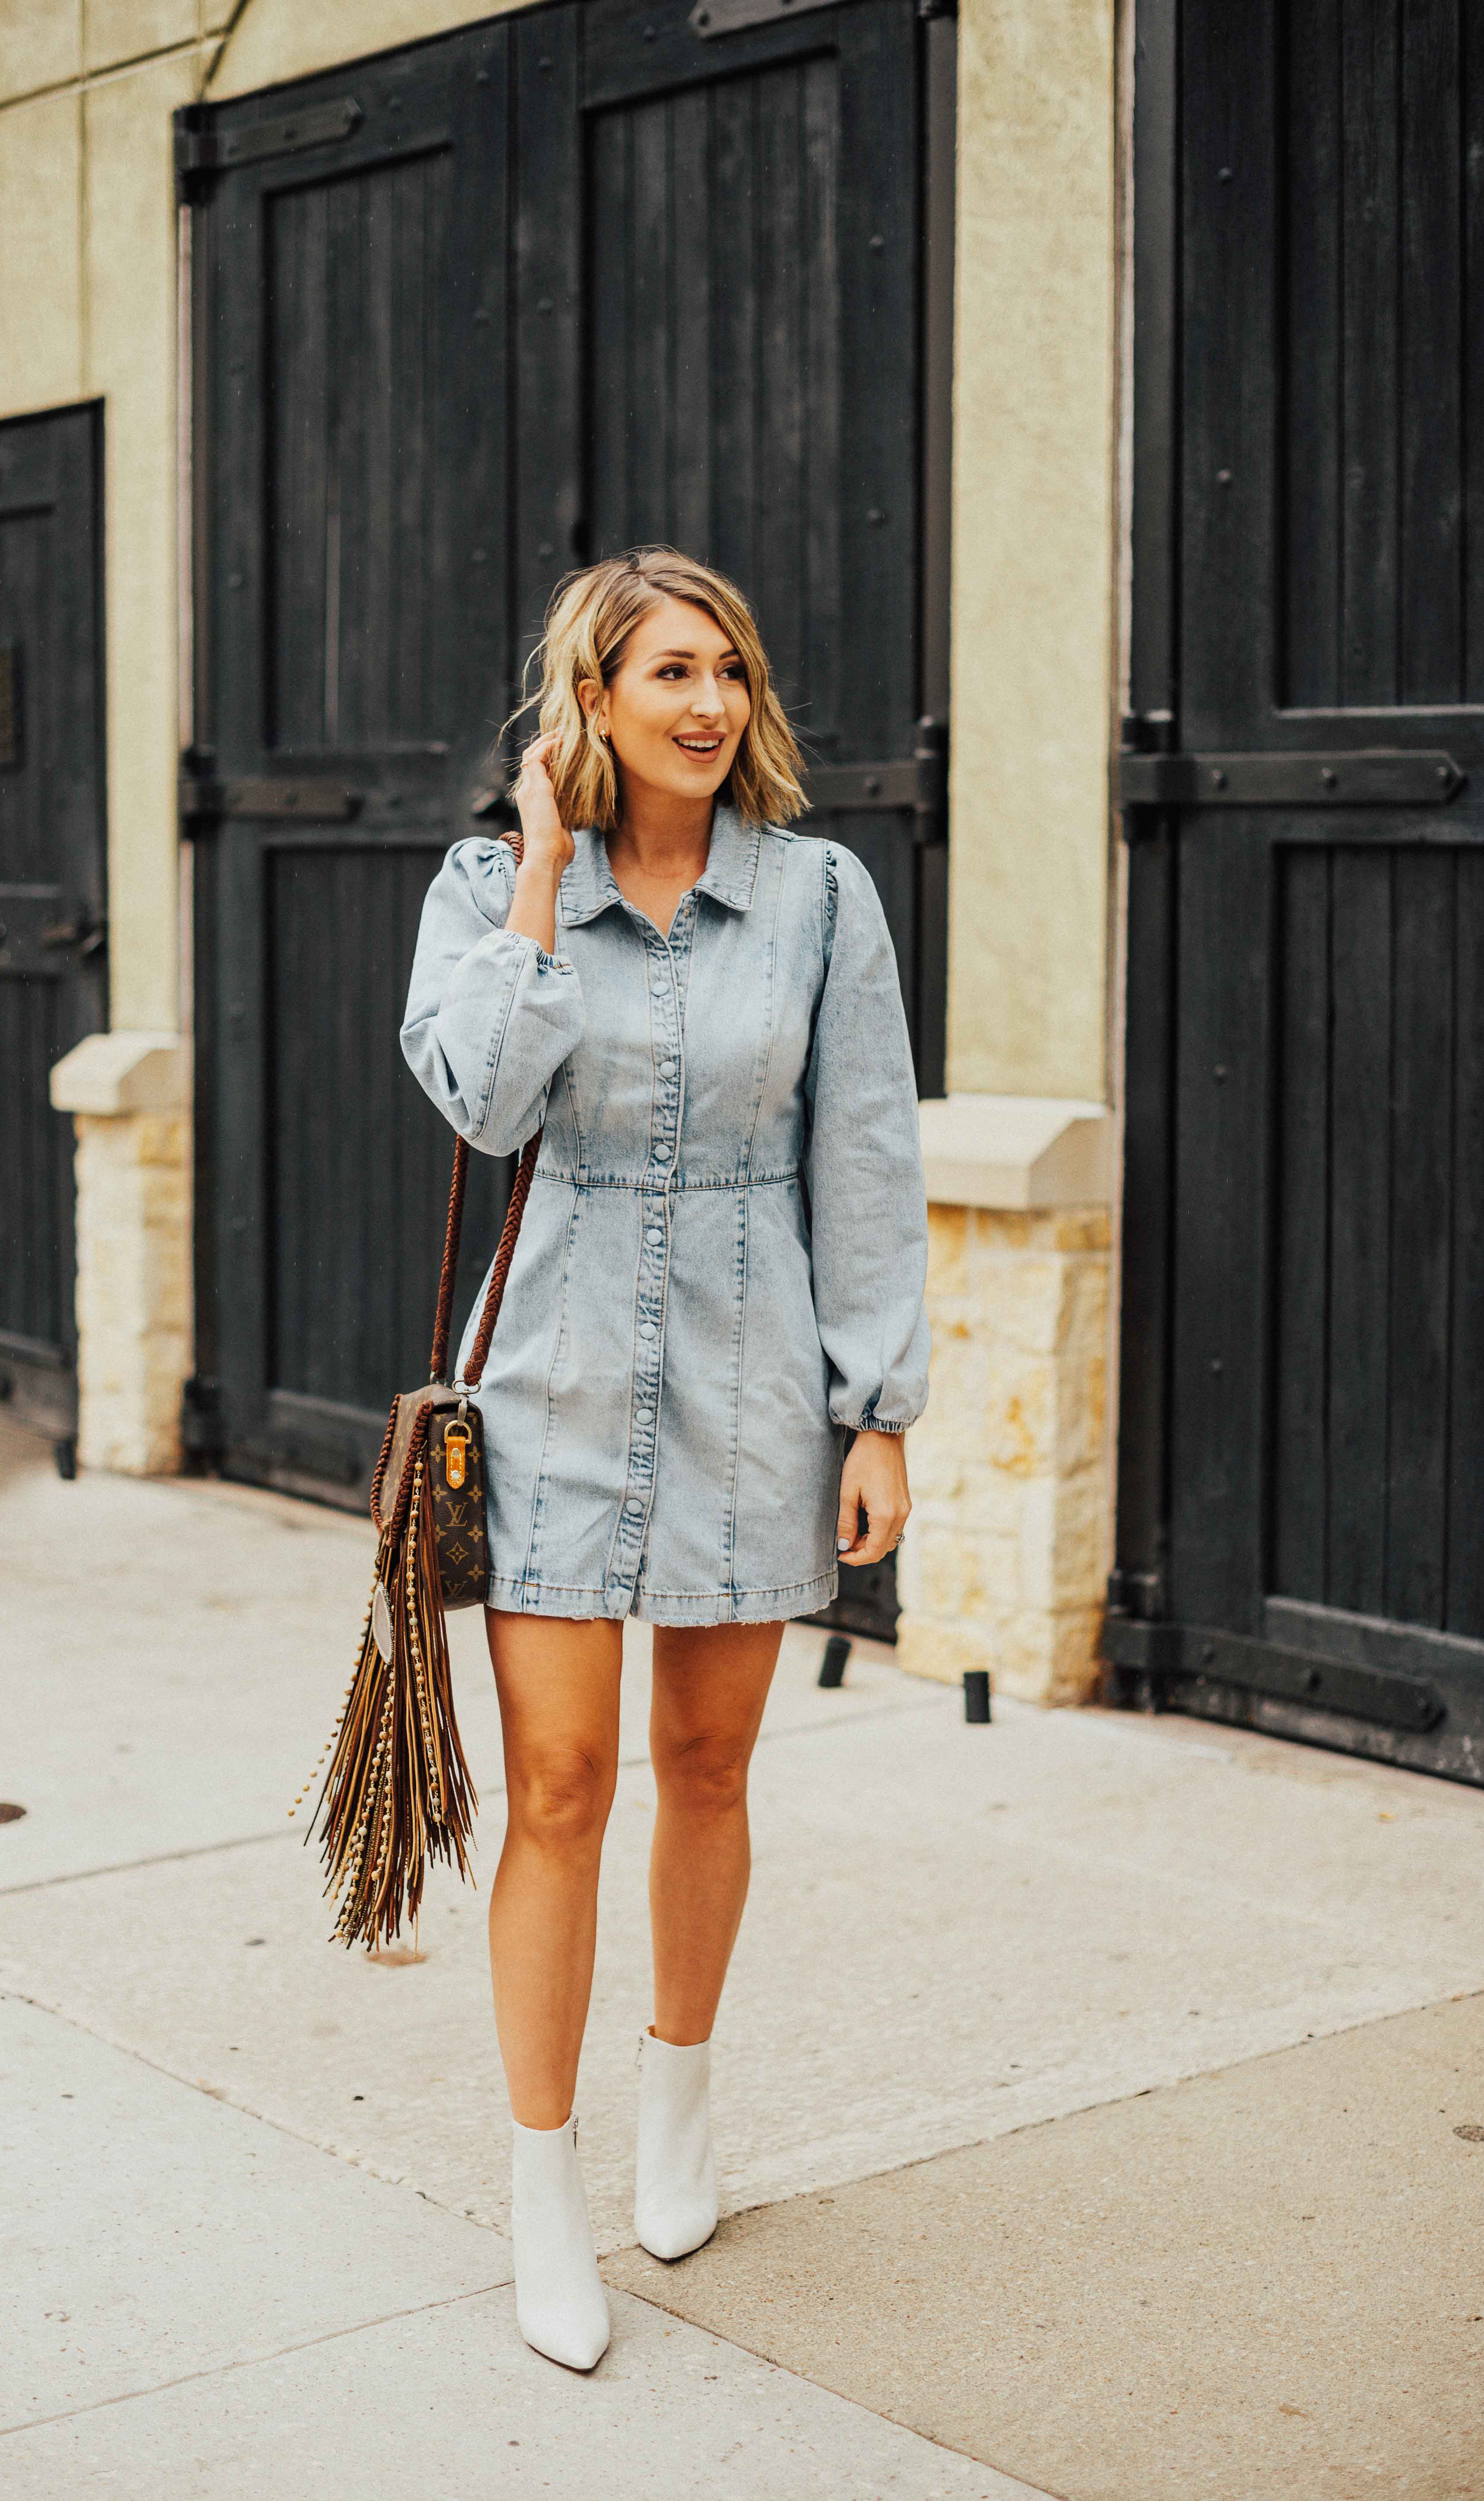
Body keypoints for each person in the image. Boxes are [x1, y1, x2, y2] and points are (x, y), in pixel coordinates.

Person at [401, 546, 930, 2371]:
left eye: (730, 671)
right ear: (593, 702)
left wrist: (877, 1406)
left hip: (751, 1373)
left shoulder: (816, 895)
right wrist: (546, 869)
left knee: (707, 1761)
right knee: (557, 1782)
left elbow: (860, 1149)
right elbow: (478, 1095)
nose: (708, 703)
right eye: (668, 673)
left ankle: (677, 2108)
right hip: (549, 1366)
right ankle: (541, 2189)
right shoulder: (487, 884)